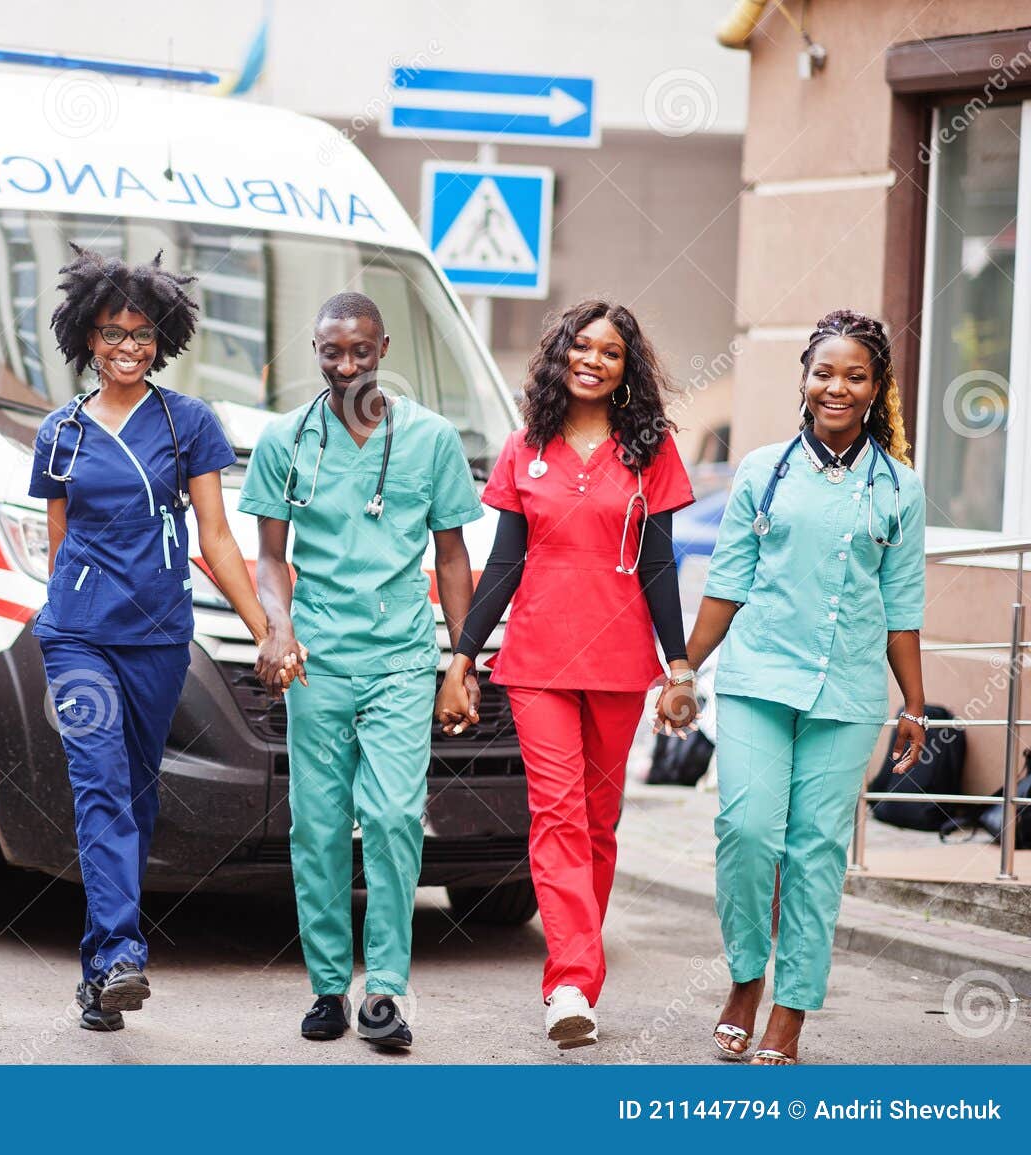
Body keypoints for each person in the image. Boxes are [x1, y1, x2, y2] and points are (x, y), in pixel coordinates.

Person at [662, 309, 926, 1065]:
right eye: (824, 372)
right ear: (804, 380)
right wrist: (682, 670)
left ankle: (791, 1006)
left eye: (855, 375)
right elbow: (727, 586)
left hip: (846, 696)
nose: (836, 386)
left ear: (876, 389)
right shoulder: (762, 470)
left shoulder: (899, 489)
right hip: (755, 681)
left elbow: (902, 608)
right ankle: (747, 975)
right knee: (747, 833)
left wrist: (913, 701)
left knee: (814, 852)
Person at [29, 247, 283, 1032]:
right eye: (111, 334)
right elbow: (60, 538)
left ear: (163, 338)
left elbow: (217, 534)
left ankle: (98, 978)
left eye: (141, 333)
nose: (128, 347)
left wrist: (268, 631)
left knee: (135, 794)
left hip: (159, 637)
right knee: (100, 783)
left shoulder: (189, 423)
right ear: (86, 339)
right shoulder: (60, 433)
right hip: (77, 638)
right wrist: (65, 615)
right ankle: (119, 956)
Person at [436, 300, 695, 1049]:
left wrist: (678, 663)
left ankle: (578, 966)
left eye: (610, 351)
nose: (592, 359)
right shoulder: (527, 446)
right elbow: (505, 563)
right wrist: (464, 656)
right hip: (539, 661)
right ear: (561, 355)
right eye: (581, 346)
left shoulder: (652, 450)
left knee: (599, 822)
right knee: (555, 814)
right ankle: (571, 981)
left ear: (627, 368)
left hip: (620, 663)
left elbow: (658, 564)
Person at [239, 291, 481, 1050]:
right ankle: (325, 986)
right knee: (316, 826)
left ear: (382, 350)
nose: (346, 365)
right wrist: (278, 628)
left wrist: (459, 660)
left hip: (401, 657)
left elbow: (451, 556)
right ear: (315, 350)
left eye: (361, 351)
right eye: (331, 351)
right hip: (317, 661)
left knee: (392, 817)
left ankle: (384, 992)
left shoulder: (432, 440)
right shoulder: (285, 439)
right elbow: (272, 558)